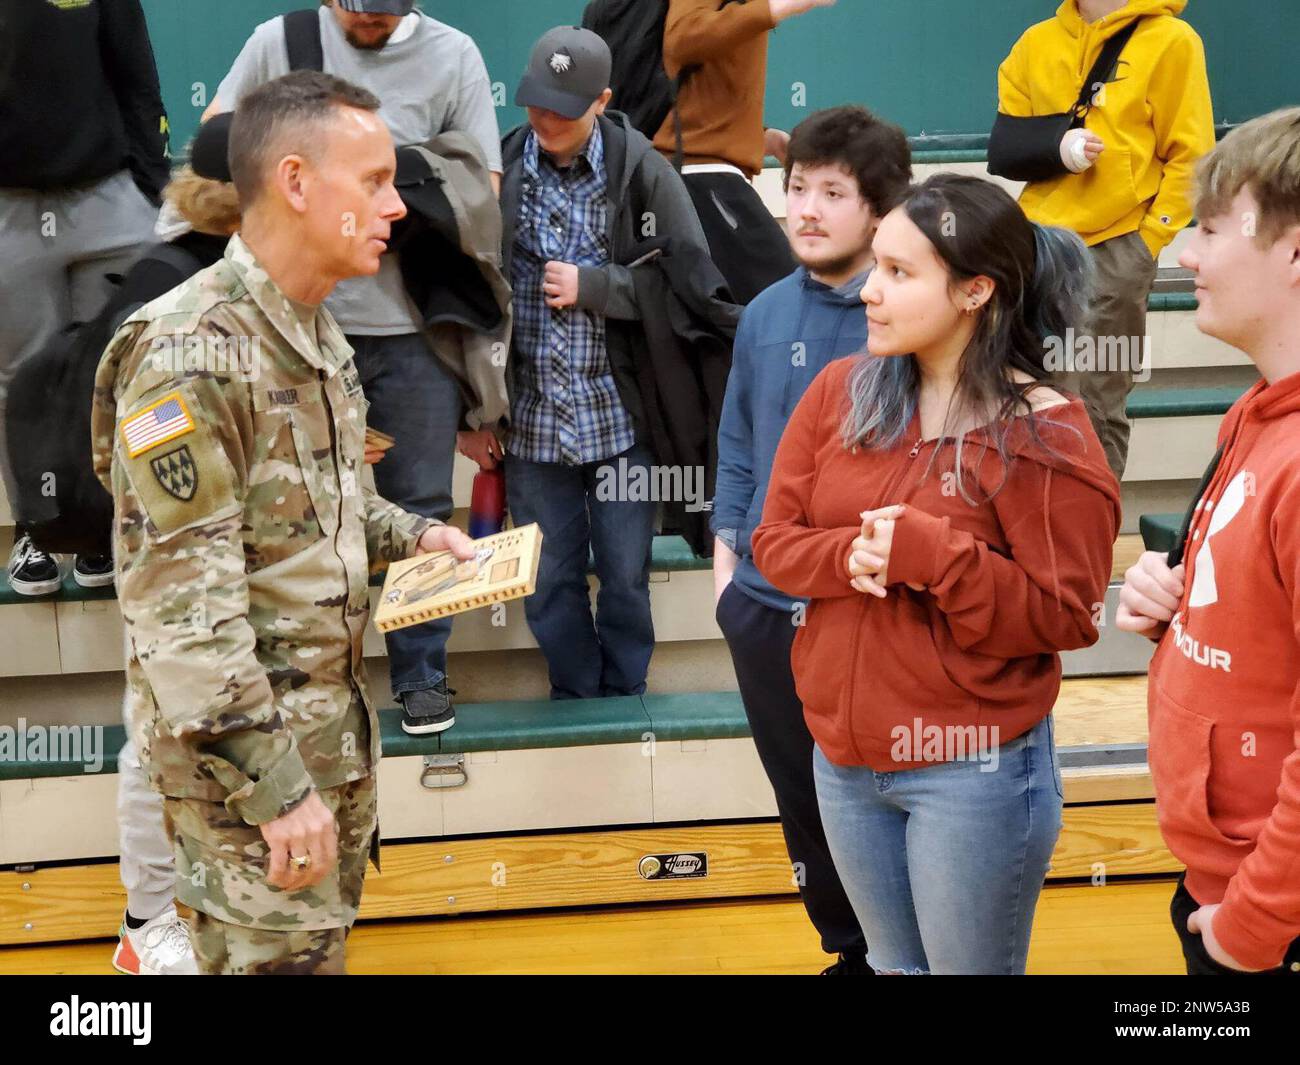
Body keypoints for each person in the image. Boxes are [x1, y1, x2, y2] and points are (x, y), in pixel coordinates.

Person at [92, 71, 476, 975]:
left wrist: (414, 536)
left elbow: (319, 501)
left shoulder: (310, 330)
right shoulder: (186, 355)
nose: (397, 206)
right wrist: (274, 790)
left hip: (318, 762)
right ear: (297, 182)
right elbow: (185, 618)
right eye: (374, 181)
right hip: (251, 791)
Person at [751, 173, 1121, 974]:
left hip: (973, 772)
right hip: (843, 764)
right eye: (874, 267)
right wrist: (846, 556)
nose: (869, 294)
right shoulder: (839, 393)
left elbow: (1066, 615)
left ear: (975, 291)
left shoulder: (1047, 435)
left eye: (898, 273)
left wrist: (940, 559)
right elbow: (773, 541)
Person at [206, 0, 503, 735]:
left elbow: (485, 188)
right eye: (351, 7)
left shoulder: (455, 53)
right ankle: (299, 686)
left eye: (382, 10)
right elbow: (215, 146)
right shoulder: (279, 41)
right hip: (294, 325)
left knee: (422, 505)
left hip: (412, 331)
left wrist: (381, 179)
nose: (364, 21)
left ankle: (423, 676)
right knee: (289, 507)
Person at [711, 104, 910, 974]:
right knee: (800, 797)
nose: (807, 209)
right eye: (797, 187)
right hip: (761, 606)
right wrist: (729, 568)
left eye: (834, 192)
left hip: (863, 610)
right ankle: (848, 951)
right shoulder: (761, 313)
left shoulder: (906, 315)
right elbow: (737, 444)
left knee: (877, 791)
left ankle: (902, 951)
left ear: (878, 209)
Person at [1117, 108, 1300, 975]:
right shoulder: (1252, 417)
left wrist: (1251, 927)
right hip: (1220, 886)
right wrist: (1179, 595)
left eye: (1212, 228)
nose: (1185, 252)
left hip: (1266, 921)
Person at [499, 26, 716, 699]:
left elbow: (694, 288)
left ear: (604, 100)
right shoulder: (500, 169)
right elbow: (467, 295)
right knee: (547, 580)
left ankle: (625, 701)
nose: (548, 119)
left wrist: (597, 287)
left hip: (622, 421)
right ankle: (576, 699)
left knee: (624, 574)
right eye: (537, 102)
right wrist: (476, 412)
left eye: (566, 107)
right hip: (530, 422)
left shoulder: (644, 171)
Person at [996, 0, 1214, 478]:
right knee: (1025, 393)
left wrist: (1149, 240)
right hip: (1037, 245)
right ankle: (1029, 534)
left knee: (1095, 399)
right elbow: (1012, 144)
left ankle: (1089, 540)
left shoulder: (1173, 41)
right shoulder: (1034, 43)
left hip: (1117, 246)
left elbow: (1192, 154)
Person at [0, 0, 168, 594]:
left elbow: (136, 76)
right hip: (8, 209)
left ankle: (106, 528)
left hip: (108, 198)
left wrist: (151, 183)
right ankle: (38, 530)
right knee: (23, 377)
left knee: (125, 371)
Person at [655, 0, 840, 304]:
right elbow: (682, 38)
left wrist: (762, 139)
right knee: (791, 305)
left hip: (701, 174)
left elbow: (701, 90)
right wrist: (777, 7)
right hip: (699, 177)